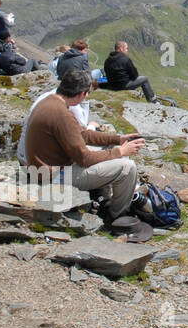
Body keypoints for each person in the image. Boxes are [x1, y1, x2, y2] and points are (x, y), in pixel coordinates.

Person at [24, 68, 145, 220]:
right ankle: (117, 216)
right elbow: (84, 158)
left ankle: (107, 198)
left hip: (47, 167)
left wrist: (117, 139)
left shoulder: (51, 102)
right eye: (87, 93)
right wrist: (121, 152)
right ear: (82, 94)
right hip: (54, 175)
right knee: (128, 168)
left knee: (112, 148)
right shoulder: (61, 114)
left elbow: (82, 134)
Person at [18, 75, 104, 165]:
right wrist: (91, 127)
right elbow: (81, 133)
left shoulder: (49, 96)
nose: (86, 96)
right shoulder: (71, 105)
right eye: (87, 92)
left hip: (25, 155)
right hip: (40, 165)